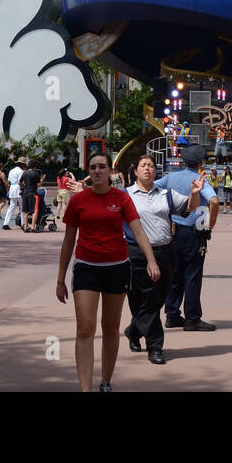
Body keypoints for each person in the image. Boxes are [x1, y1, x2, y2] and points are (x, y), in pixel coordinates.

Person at [57, 151, 160, 391]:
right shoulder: (78, 201)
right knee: (85, 328)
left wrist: (151, 259)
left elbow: (138, 231)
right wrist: (60, 279)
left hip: (117, 268)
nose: (97, 171)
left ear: (109, 171)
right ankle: (85, 388)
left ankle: (105, 381)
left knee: (111, 327)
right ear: (88, 172)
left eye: (102, 166)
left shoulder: (122, 199)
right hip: (86, 268)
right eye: (93, 167)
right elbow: (68, 241)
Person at [123, 154, 201, 365]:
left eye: (151, 165)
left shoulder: (166, 194)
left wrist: (194, 193)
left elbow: (189, 208)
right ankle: (155, 347)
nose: (147, 168)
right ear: (136, 171)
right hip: (136, 254)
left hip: (165, 252)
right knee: (141, 298)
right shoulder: (125, 195)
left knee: (158, 298)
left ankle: (133, 330)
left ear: (156, 172)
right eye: (143, 165)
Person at [156, 144, 220, 331]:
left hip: (172, 230)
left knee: (174, 274)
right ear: (201, 162)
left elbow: (153, 188)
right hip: (193, 231)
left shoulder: (171, 177)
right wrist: (211, 223)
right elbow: (214, 201)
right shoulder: (200, 179)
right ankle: (192, 317)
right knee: (192, 274)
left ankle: (172, 314)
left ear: (183, 161)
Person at [2, 160, 25, 230]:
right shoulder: (21, 171)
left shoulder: (11, 171)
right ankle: (23, 223)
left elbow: (9, 181)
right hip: (18, 188)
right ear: (22, 164)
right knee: (22, 207)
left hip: (12, 188)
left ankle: (6, 223)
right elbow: (20, 182)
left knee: (11, 207)